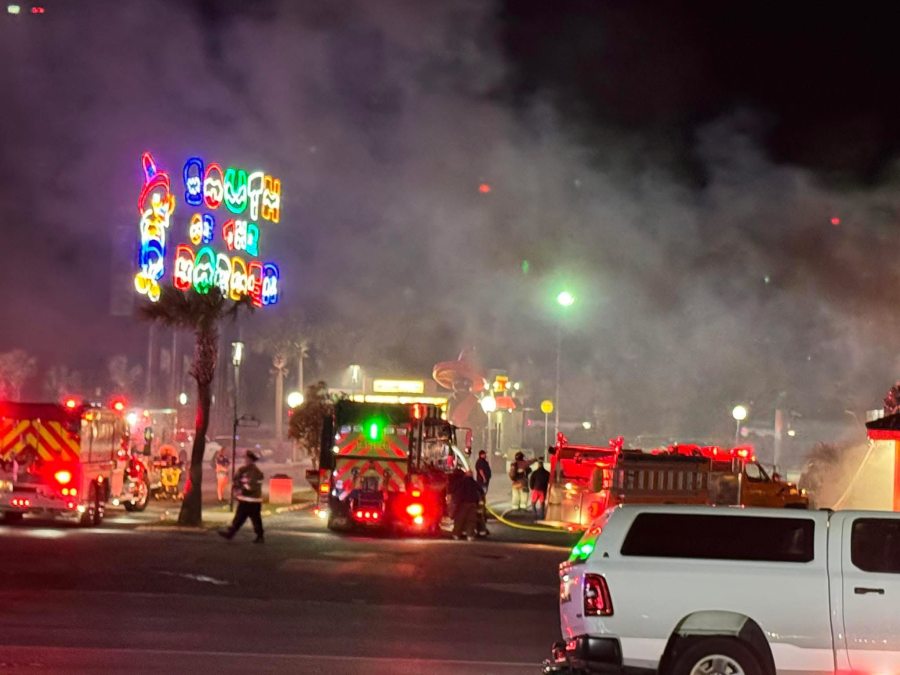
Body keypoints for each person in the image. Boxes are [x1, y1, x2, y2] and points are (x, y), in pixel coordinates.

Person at [219, 450, 265, 543]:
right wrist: (237, 488)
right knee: (239, 517)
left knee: (255, 519)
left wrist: (241, 488)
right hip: (245, 499)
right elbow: (237, 481)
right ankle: (231, 533)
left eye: (247, 459)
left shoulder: (255, 472)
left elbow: (252, 486)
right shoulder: (243, 470)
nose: (245, 460)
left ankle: (259, 536)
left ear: (251, 460)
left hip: (253, 501)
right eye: (245, 458)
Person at [450, 469, 482, 541]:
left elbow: (456, 491)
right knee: (471, 520)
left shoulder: (461, 482)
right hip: (473, 503)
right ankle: (470, 535)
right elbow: (481, 490)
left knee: (459, 519)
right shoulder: (474, 482)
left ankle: (456, 534)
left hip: (463, 503)